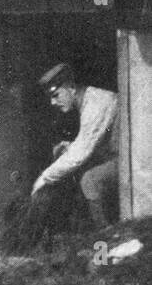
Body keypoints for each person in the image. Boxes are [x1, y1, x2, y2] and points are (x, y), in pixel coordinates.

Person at [17, 63, 119, 245]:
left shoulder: (97, 102)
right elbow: (89, 142)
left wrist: (45, 177)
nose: (53, 102)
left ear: (71, 88)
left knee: (90, 180)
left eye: (56, 95)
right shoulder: (87, 100)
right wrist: (70, 147)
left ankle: (106, 242)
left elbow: (82, 151)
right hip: (121, 157)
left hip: (137, 160)